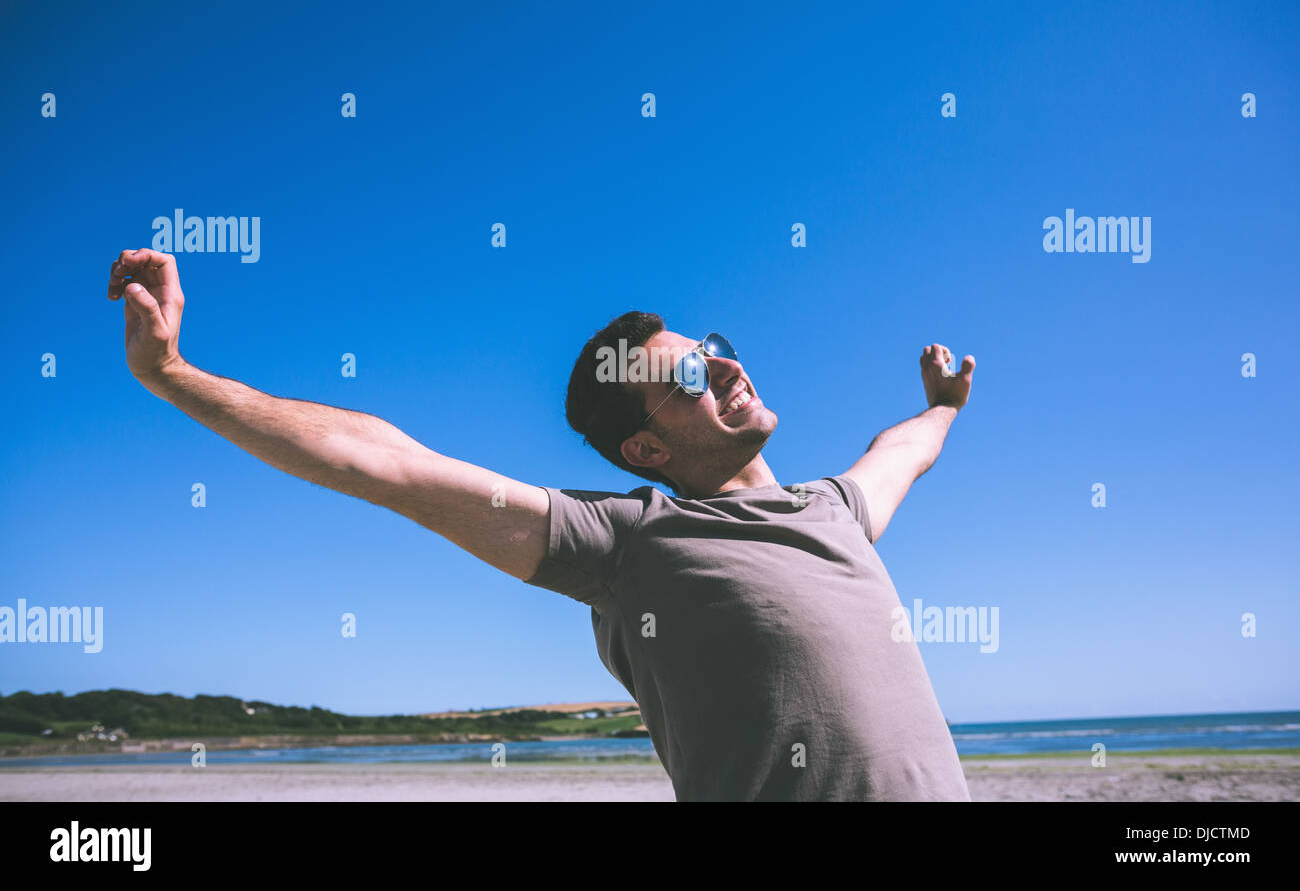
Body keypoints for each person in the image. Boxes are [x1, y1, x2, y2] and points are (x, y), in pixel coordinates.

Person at [107, 247, 977, 801]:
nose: (725, 371)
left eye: (713, 352)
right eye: (689, 380)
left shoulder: (836, 511)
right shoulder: (629, 543)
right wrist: (173, 372)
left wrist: (940, 408)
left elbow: (902, 449)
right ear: (643, 449)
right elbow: (393, 466)